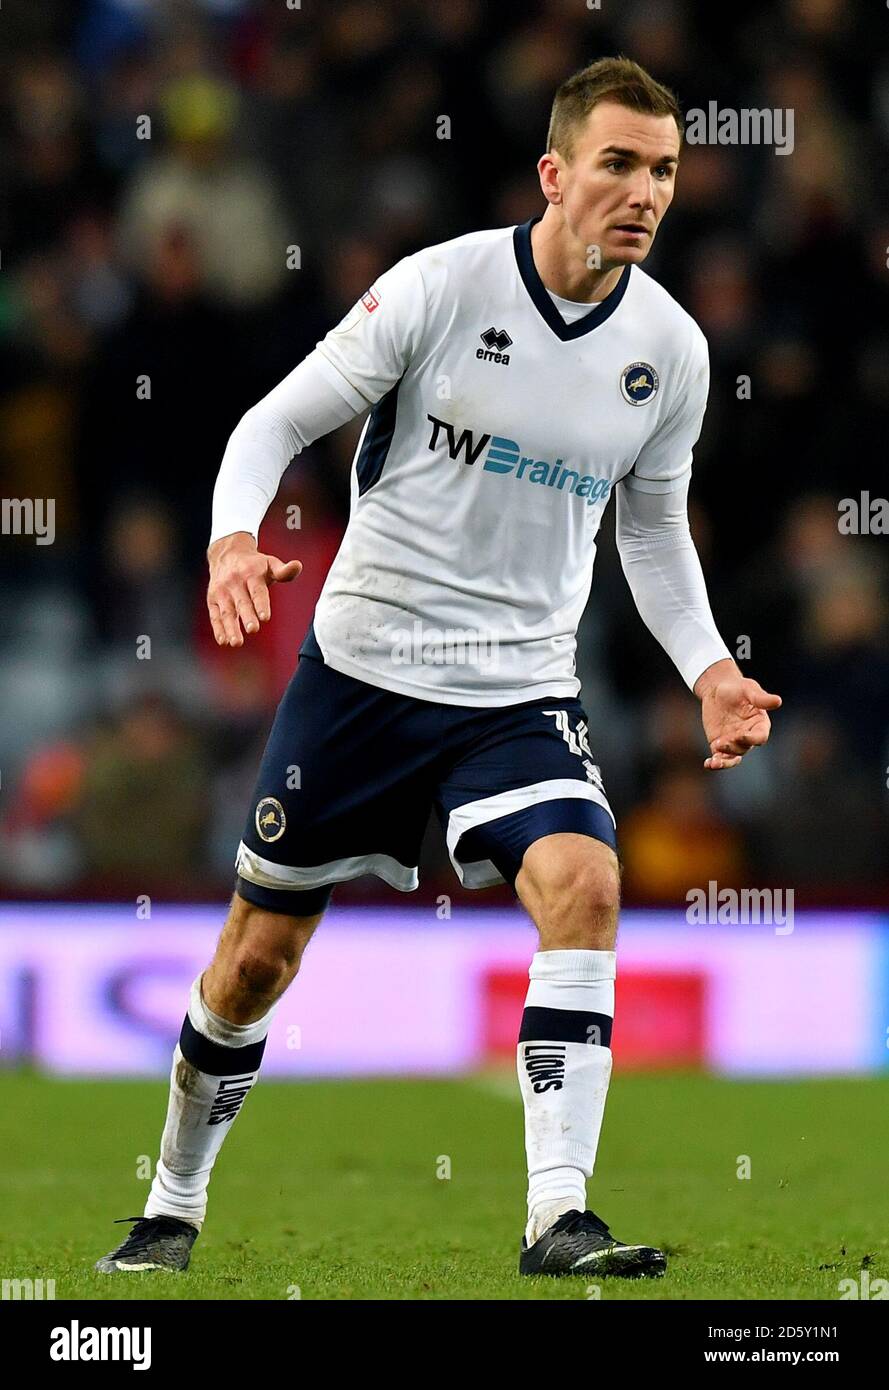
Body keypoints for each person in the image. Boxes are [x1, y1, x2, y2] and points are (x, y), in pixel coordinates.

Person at [97, 57, 781, 1280]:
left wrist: (709, 669)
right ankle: (170, 1200)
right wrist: (232, 542)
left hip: (517, 691)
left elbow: (651, 530)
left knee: (584, 882)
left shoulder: (669, 351)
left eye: (665, 170)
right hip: (362, 672)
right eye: (618, 162)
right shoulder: (443, 286)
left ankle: (555, 1216)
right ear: (554, 172)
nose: (643, 191)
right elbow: (272, 423)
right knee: (256, 961)